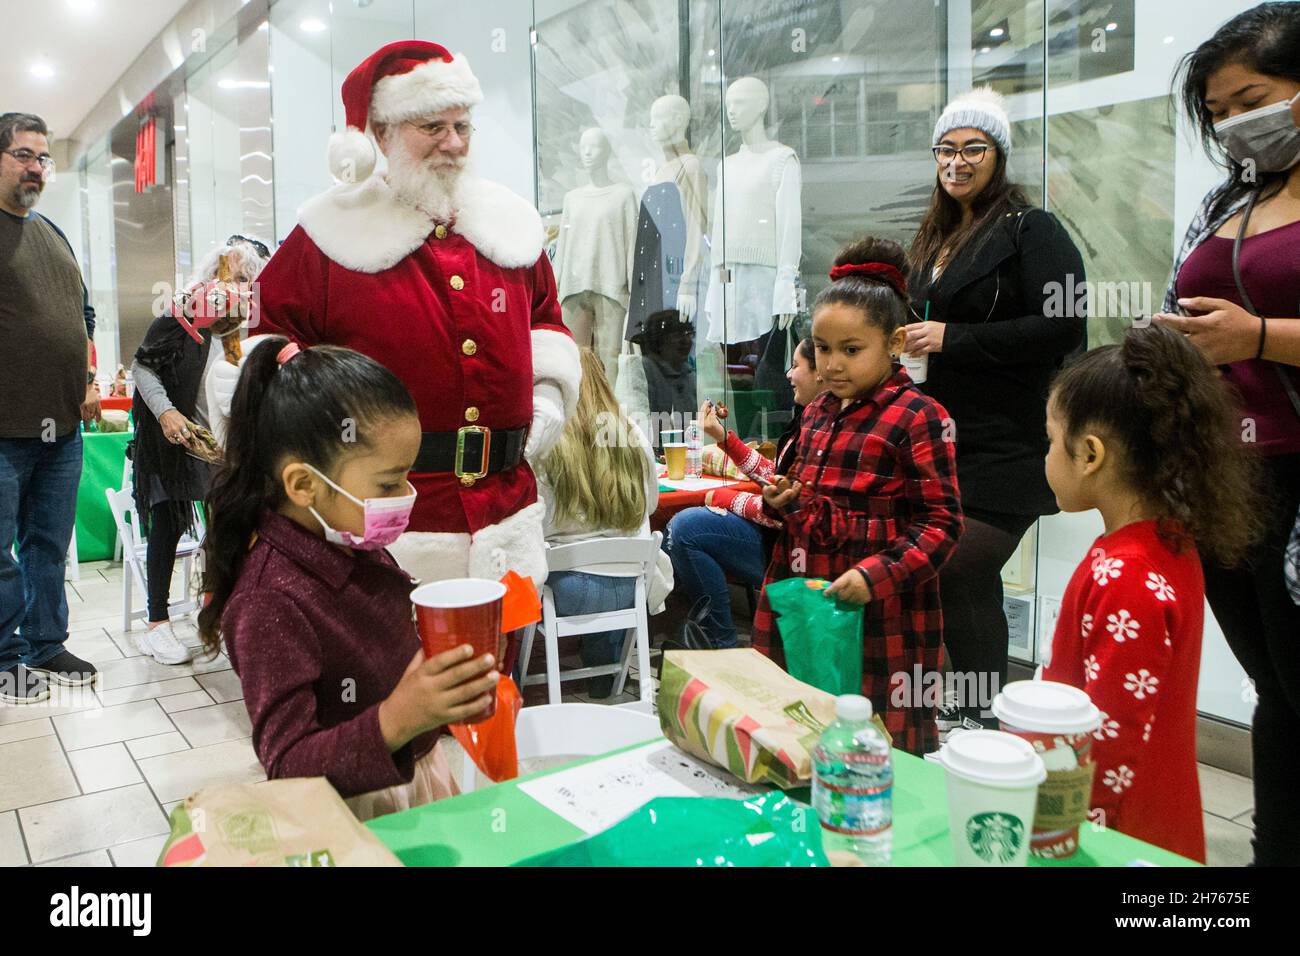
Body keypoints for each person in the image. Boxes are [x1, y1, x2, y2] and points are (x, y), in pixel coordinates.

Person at [211, 40, 580, 588]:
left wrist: (548, 400)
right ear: (381, 134)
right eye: (432, 127)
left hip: (507, 511)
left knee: (496, 673)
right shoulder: (327, 235)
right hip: (389, 525)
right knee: (392, 672)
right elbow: (268, 346)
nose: (452, 143)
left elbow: (547, 321)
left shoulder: (510, 225)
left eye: (462, 126)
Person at [198, 339, 498, 820]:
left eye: (407, 477)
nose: (407, 495)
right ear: (303, 485)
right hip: (356, 813)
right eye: (388, 483)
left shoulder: (348, 538)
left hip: (417, 780)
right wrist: (399, 718)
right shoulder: (269, 601)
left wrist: (440, 695)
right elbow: (288, 763)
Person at [1152, 2, 1300, 866]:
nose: (1237, 125)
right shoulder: (1233, 199)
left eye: (1255, 99)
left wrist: (1258, 338)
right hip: (1232, 478)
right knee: (1276, 693)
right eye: (1218, 113)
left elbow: (1252, 329)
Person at [904, 87, 1087, 731]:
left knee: (958, 567)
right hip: (945, 439)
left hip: (1012, 442)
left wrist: (957, 338)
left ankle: (980, 707)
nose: (957, 161)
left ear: (998, 155)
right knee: (962, 580)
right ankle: (975, 712)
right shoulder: (936, 237)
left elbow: (1065, 323)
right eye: (946, 149)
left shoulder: (1030, 228)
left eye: (972, 148)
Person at [1041, 323, 1259, 863]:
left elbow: (1111, 740)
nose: (1044, 457)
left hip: (1120, 841)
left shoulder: (1128, 574)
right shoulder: (1166, 541)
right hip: (1155, 824)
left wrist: (1062, 832)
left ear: (1089, 454)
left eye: (1049, 440)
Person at [751, 237, 963, 755]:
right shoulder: (818, 410)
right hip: (804, 593)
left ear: (892, 345)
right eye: (822, 349)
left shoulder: (918, 416)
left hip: (879, 611)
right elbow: (806, 499)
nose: (833, 364)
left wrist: (874, 575)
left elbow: (942, 525)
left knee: (877, 747)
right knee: (797, 730)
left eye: (851, 350)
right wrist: (783, 502)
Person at [129, 235, 270, 665]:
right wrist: (167, 413)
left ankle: (219, 614)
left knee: (227, 527)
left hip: (216, 447)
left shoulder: (241, 330)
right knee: (168, 522)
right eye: (239, 278)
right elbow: (142, 365)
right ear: (216, 278)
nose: (245, 289)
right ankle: (156, 625)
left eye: (252, 281)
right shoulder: (184, 313)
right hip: (171, 441)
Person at [0, 111, 102, 703]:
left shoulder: (52, 233)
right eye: (23, 155)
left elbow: (80, 314)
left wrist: (88, 377)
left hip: (60, 428)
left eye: (43, 158)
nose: (36, 167)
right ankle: (4, 654)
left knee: (46, 544)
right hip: (3, 430)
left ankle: (45, 642)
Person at [663, 337, 821, 648]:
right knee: (685, 525)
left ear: (820, 373)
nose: (788, 374)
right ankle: (710, 636)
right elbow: (776, 479)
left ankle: (720, 640)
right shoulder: (808, 415)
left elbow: (786, 508)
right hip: (781, 538)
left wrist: (726, 499)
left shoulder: (821, 426)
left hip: (794, 549)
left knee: (685, 529)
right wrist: (723, 438)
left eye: (796, 365)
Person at [535, 348, 666, 698]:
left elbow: (536, 519)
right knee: (615, 560)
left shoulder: (547, 440)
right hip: (630, 591)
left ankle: (519, 680)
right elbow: (650, 503)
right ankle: (604, 679)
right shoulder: (630, 431)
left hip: (565, 595)